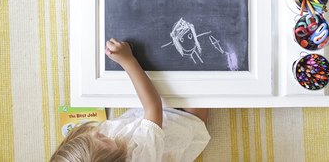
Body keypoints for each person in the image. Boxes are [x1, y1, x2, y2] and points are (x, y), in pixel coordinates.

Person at [50, 38, 210, 162]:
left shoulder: (98, 145)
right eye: (103, 139)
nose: (97, 133)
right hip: (181, 128)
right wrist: (127, 60)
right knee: (200, 87)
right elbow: (153, 106)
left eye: (89, 137)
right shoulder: (141, 156)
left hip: (143, 121)